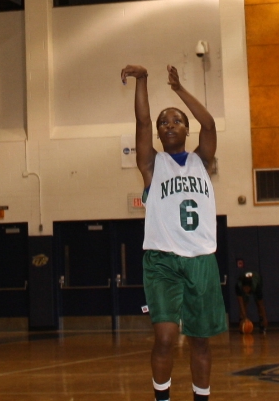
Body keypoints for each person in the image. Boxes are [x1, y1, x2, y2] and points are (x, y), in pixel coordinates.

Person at [122, 63, 227, 401]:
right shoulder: (152, 165)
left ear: (186, 129)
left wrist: (179, 89)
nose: (169, 125)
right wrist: (143, 79)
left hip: (201, 260)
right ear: (158, 133)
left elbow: (209, 123)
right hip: (162, 261)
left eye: (176, 121)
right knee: (165, 338)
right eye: (163, 123)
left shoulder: (203, 160)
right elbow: (141, 122)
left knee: (200, 340)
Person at [234, 262, 267, 333]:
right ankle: (242, 323)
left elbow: (261, 304)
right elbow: (241, 303)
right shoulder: (238, 286)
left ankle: (262, 324)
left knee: (258, 304)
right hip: (243, 282)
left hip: (258, 279)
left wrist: (264, 318)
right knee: (245, 302)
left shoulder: (256, 286)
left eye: (247, 288)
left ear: (250, 287)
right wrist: (244, 317)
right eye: (244, 288)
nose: (246, 290)